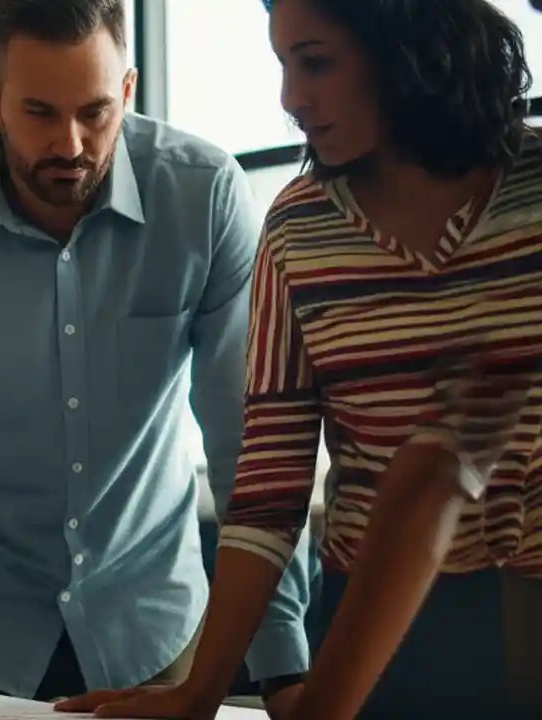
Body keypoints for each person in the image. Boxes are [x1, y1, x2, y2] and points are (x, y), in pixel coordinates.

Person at [0, 0, 312, 709]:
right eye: (40, 112)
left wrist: (283, 664)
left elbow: (250, 439)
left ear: (130, 91)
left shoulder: (203, 197)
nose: (72, 144)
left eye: (96, 112)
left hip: (153, 628)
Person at [57, 1, 542, 718]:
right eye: (283, 64)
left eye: (315, 62)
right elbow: (269, 486)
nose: (290, 98)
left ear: (409, 51)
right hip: (377, 630)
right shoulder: (297, 228)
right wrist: (201, 690)